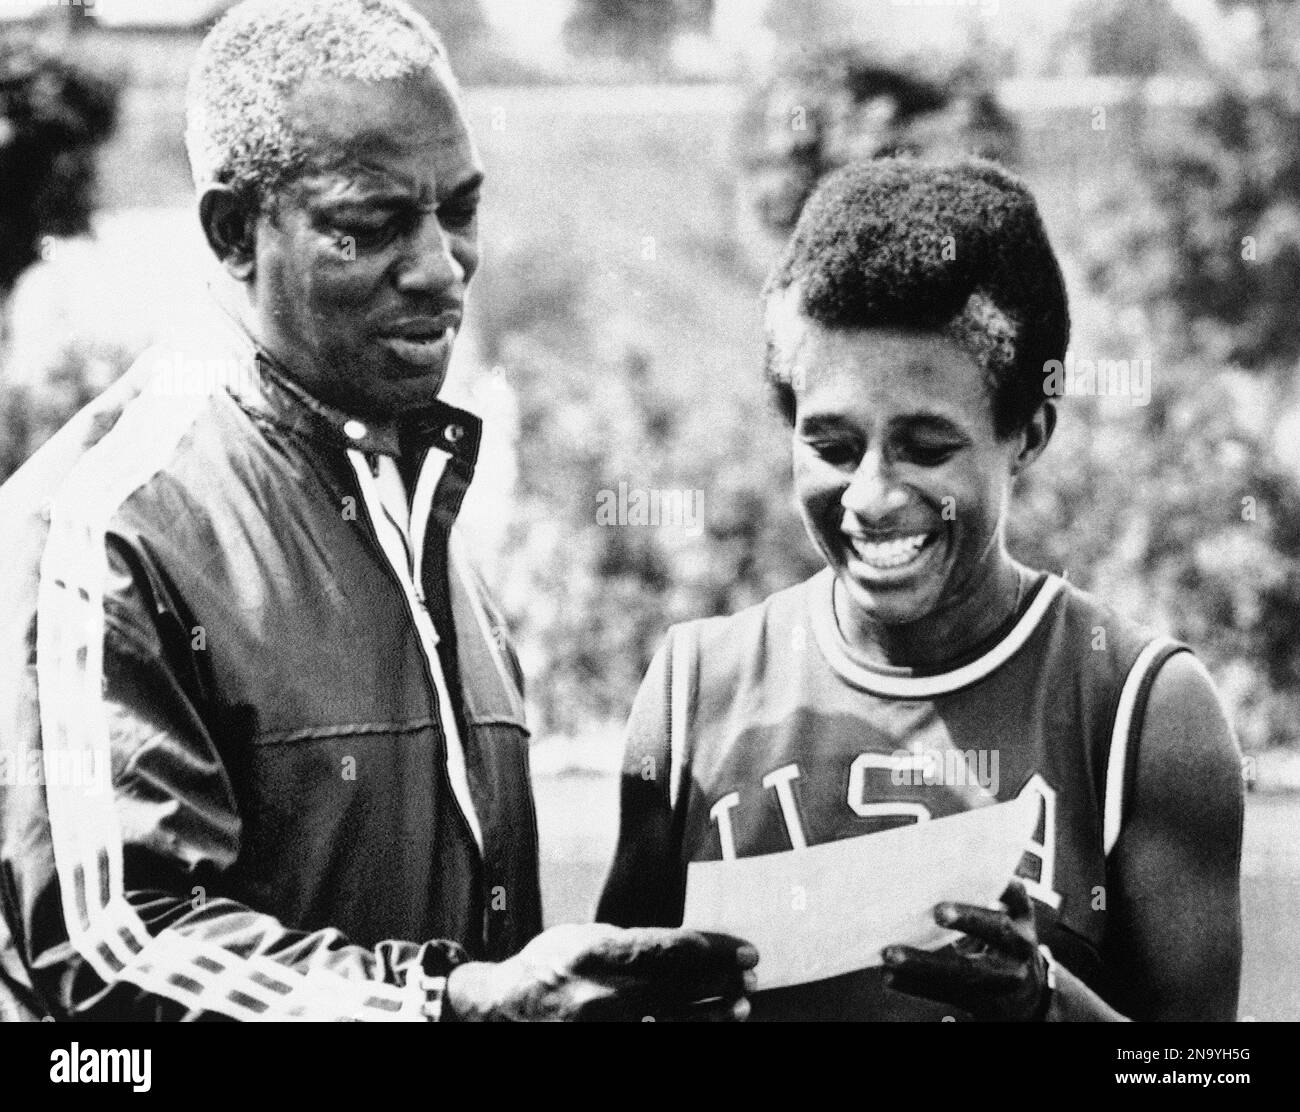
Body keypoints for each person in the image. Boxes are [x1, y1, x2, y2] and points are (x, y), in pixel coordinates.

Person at [0, 0, 754, 1023]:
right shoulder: (102, 524)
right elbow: (110, 949)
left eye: (460, 211)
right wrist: (449, 1003)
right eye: (373, 225)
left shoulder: (417, 506)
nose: (442, 267)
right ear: (232, 231)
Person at [598, 157, 1243, 1021]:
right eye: (831, 446)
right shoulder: (693, 690)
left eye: (926, 448)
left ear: (1027, 432)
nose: (871, 496)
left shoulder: (1139, 710)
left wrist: (1048, 1006)